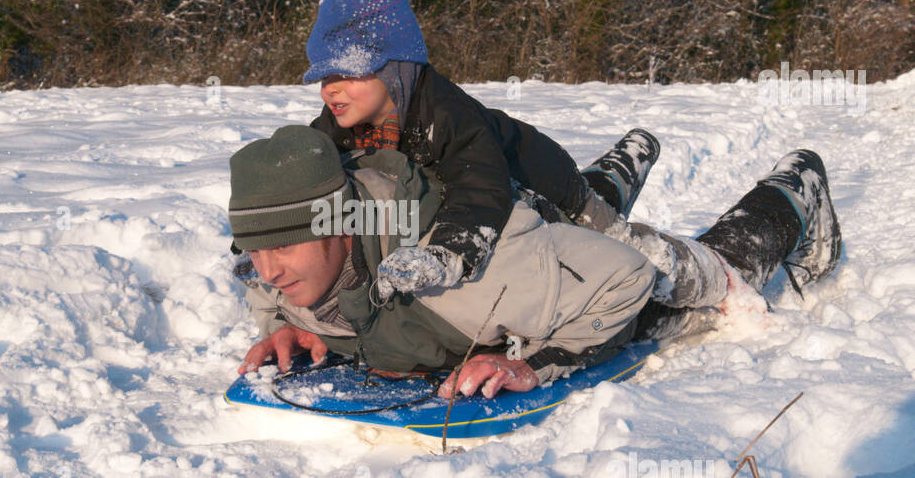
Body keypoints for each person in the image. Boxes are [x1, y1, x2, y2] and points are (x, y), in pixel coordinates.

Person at [229, 126, 842, 399]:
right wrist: (285, 326)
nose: (269, 269)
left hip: (564, 279)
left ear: (344, 225)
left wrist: (534, 361)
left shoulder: (468, 280)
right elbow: (266, 276)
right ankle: (636, 150)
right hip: (534, 217)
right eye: (255, 251)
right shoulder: (291, 256)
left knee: (691, 272)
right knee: (572, 210)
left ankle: (796, 185)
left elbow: (621, 277)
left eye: (283, 248)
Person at [301, 0, 660, 301]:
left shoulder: (446, 114)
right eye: (323, 78)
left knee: (612, 239)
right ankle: (618, 169)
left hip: (548, 180)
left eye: (345, 74)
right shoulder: (336, 125)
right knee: (601, 195)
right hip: (515, 185)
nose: (330, 89)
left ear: (394, 68)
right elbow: (305, 176)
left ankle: (670, 269)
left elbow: (480, 188)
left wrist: (449, 251)